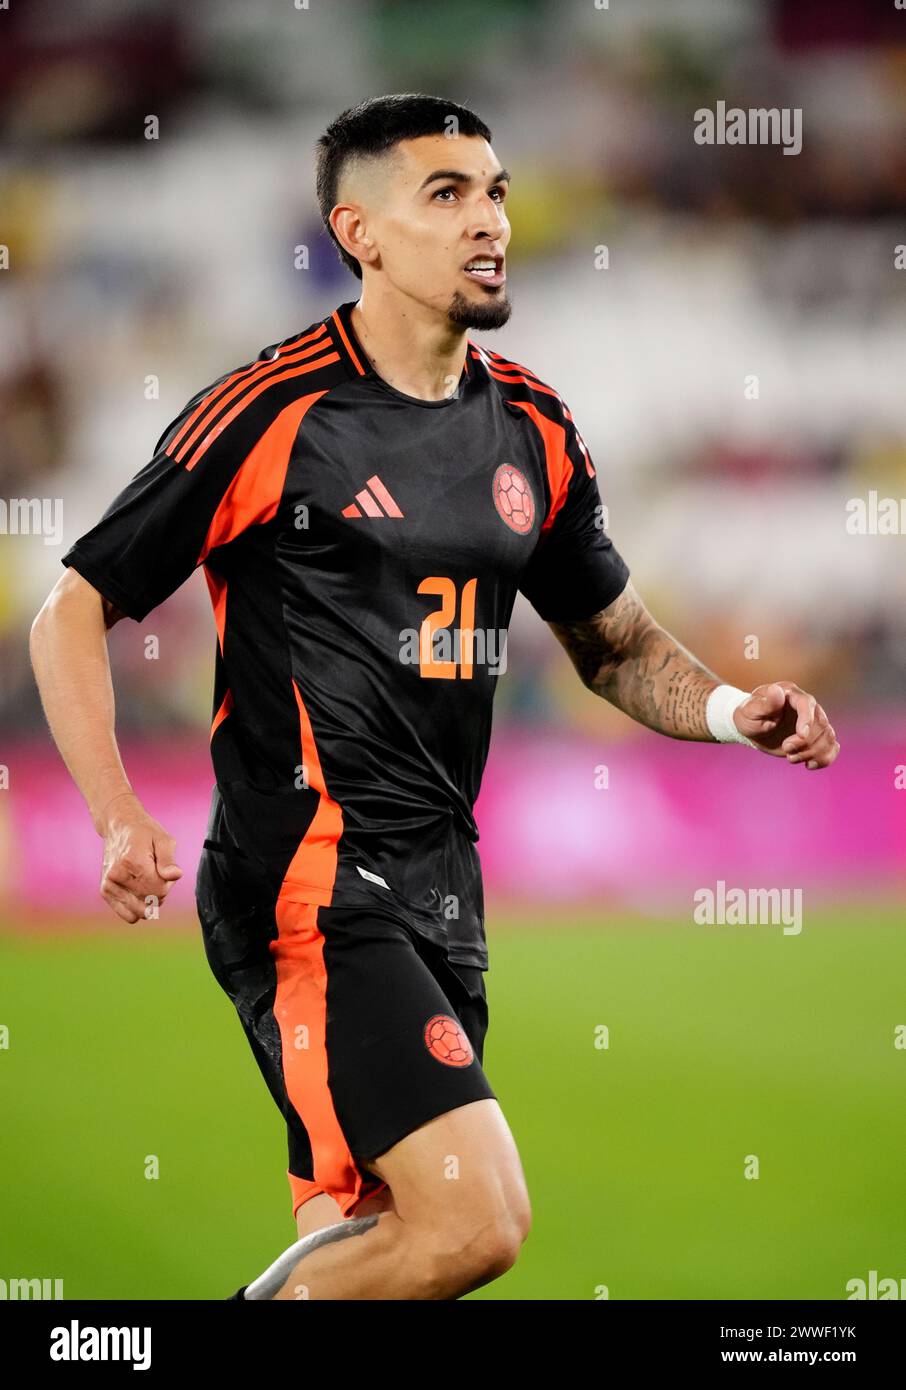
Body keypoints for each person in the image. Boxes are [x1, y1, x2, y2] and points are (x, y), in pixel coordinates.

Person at [29, 93, 839, 1301]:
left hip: (444, 885)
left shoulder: (534, 427)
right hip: (307, 877)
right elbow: (73, 606)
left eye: (497, 191)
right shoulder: (273, 411)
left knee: (386, 1249)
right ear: (358, 232)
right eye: (447, 194)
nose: (489, 221)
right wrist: (114, 811)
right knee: (477, 1222)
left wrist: (734, 712)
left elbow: (612, 642)